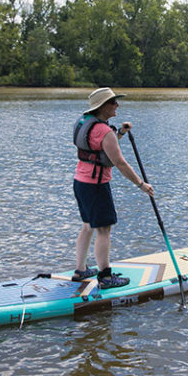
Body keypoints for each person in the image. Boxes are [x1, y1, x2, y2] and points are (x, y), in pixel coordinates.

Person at [72, 87, 154, 289]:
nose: (117, 105)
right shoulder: (104, 130)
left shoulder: (89, 124)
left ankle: (80, 270)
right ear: (102, 107)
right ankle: (105, 277)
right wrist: (141, 185)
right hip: (96, 186)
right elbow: (120, 162)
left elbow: (102, 146)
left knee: (87, 225)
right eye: (113, 102)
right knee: (103, 230)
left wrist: (121, 133)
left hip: (81, 182)